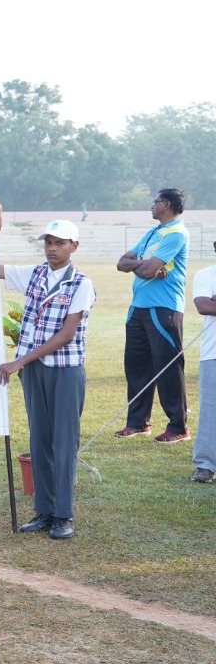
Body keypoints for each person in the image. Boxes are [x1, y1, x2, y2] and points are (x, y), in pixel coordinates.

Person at [0, 203, 94, 541]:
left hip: (64, 372)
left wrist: (18, 361)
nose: (52, 248)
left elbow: (66, 335)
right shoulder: (34, 274)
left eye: (59, 243)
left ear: (73, 247)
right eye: (48, 242)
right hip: (34, 371)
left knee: (64, 442)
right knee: (40, 439)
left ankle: (64, 515)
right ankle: (44, 511)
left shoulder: (81, 283)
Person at [116, 187, 190, 441]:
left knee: (168, 366)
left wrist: (142, 267)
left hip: (164, 306)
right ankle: (138, 422)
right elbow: (121, 263)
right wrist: (142, 265)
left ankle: (178, 427)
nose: (152, 204)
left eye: (156, 201)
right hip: (139, 307)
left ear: (167, 204)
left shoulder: (176, 233)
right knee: (137, 366)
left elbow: (148, 271)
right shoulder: (153, 233)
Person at [190, 241, 216, 484]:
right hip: (213, 353)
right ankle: (205, 466)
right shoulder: (206, 275)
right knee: (210, 410)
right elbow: (203, 305)